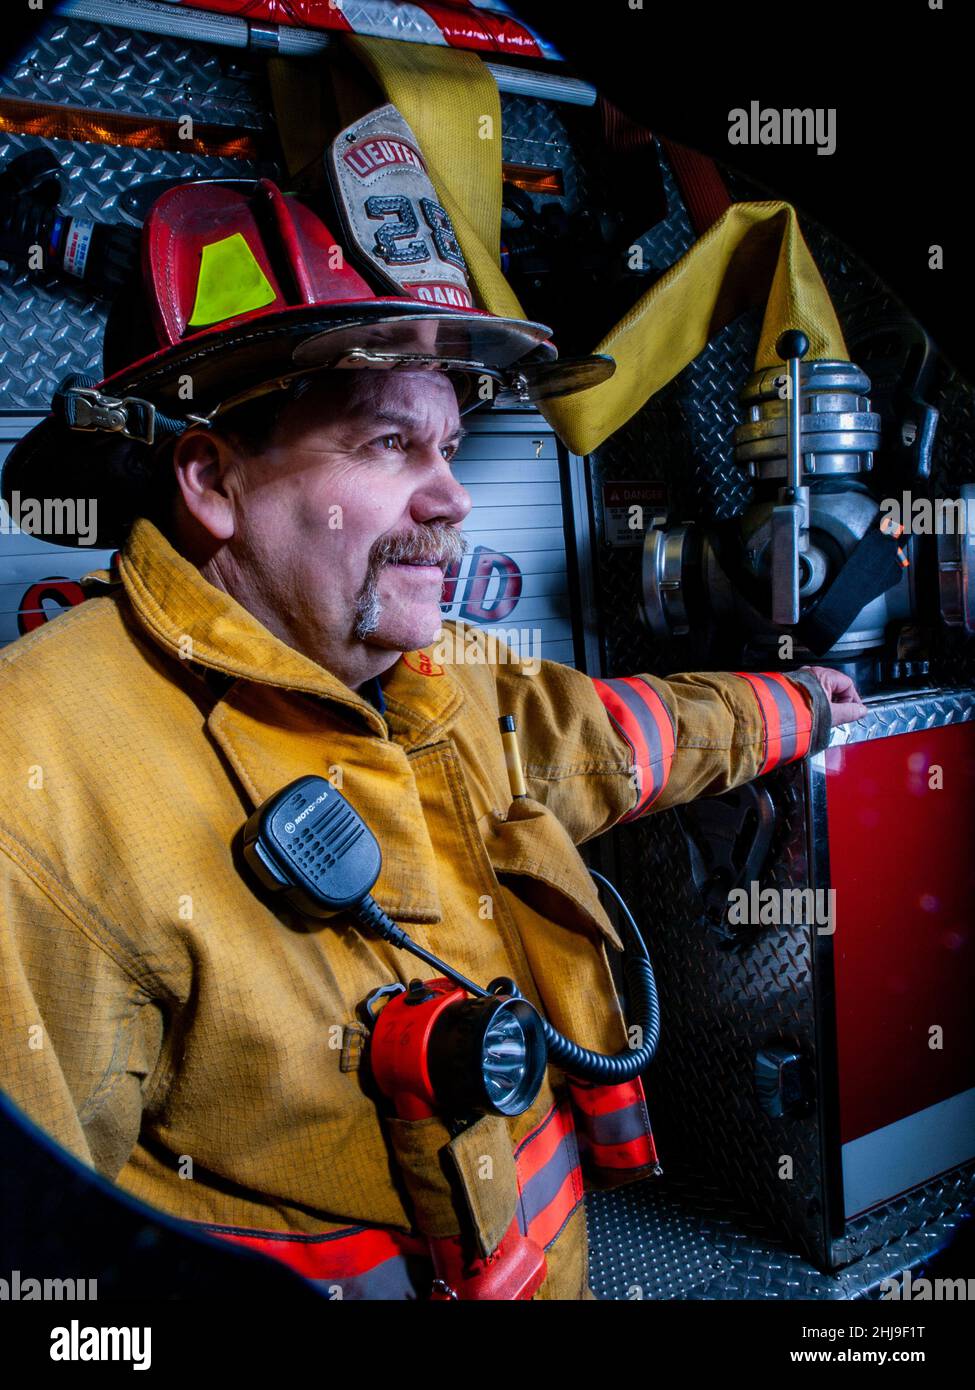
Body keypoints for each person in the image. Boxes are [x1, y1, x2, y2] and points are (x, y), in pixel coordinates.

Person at [0, 110, 865, 1300]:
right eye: (391, 441)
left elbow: (618, 741)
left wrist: (801, 705)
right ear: (212, 480)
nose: (455, 497)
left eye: (452, 442)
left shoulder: (433, 678)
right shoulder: (43, 771)